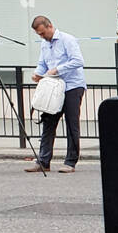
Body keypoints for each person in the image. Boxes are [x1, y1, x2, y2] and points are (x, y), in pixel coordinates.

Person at [27, 16, 86, 174]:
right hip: (54, 87)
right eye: (39, 35)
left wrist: (57, 69)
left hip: (72, 86)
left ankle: (70, 162)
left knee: (71, 123)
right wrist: (38, 74)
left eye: (43, 33)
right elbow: (42, 63)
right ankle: (43, 161)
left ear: (50, 26)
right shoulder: (44, 44)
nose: (42, 37)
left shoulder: (68, 40)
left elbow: (78, 61)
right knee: (48, 122)